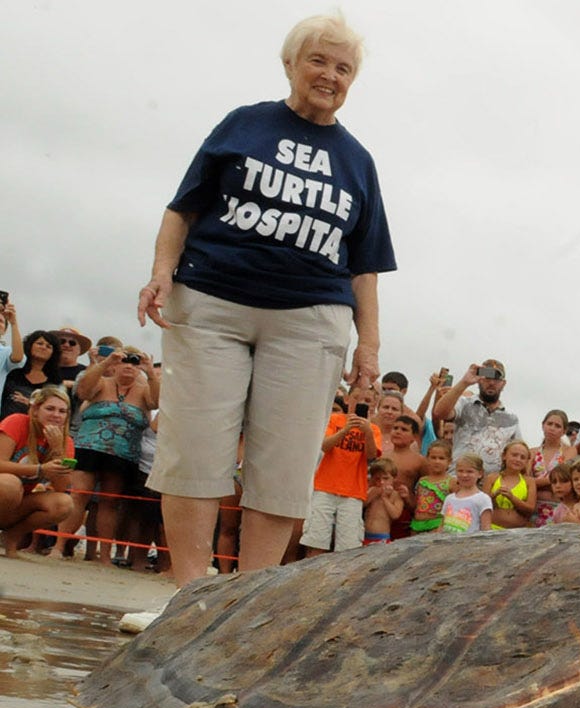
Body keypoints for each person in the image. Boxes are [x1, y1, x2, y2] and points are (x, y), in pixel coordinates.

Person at [137, 12, 395, 586]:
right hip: (210, 303)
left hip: (310, 321)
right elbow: (183, 209)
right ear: (290, 64)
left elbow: (367, 265)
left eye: (344, 67)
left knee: (283, 466)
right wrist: (160, 273)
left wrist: (369, 349)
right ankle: (190, 596)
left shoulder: (358, 162)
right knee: (193, 452)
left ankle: (246, 601)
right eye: (319, 60)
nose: (330, 75)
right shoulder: (243, 125)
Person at [63, 348, 153, 564]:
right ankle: (59, 545)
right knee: (78, 495)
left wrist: (149, 371)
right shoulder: (101, 382)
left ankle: (104, 555)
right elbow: (82, 392)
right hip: (88, 447)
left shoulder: (144, 390)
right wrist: (104, 364)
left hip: (123, 453)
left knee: (109, 502)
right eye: (123, 360)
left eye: (134, 361)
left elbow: (156, 403)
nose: (128, 365)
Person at [300, 390, 381, 555]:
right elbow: (324, 446)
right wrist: (344, 430)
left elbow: (371, 456)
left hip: (353, 492)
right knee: (316, 540)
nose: (361, 403)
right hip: (324, 487)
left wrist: (367, 432)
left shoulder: (373, 429)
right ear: (347, 399)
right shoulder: (333, 420)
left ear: (373, 404)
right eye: (357, 398)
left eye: (367, 400)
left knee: (349, 547)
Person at [0, 386, 76, 555]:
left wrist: (57, 450)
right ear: (35, 410)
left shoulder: (66, 441)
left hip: (20, 500)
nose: (56, 415)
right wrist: (39, 469)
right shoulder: (17, 422)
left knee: (64, 504)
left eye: (62, 411)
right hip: (6, 491)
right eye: (50, 409)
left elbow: (63, 488)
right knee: (10, 484)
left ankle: (12, 536)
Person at [432, 361, 519, 476]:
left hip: (491, 487)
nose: (491, 382)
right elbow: (439, 413)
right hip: (459, 481)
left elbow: (519, 453)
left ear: (503, 384)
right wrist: (464, 382)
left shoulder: (511, 419)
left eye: (496, 379)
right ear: (479, 380)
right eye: (487, 378)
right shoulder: (464, 404)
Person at [3, 329, 66, 422]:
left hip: (35, 428)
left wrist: (30, 403)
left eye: (48, 346)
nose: (43, 347)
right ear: (29, 346)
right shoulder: (12, 370)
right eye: (39, 343)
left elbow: (58, 407)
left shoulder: (55, 380)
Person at [440, 454, 493, 533]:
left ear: (480, 474)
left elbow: (486, 529)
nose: (464, 475)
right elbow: (442, 526)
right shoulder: (449, 498)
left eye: (470, 471)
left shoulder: (483, 499)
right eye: (460, 471)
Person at [409, 441, 451, 534]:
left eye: (441, 458)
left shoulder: (452, 482)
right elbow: (417, 503)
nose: (437, 461)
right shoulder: (422, 481)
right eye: (433, 457)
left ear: (449, 462)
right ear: (427, 459)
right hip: (417, 525)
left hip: (437, 525)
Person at [361, 457, 403, 544]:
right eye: (377, 479)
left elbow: (395, 515)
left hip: (382, 536)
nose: (381, 482)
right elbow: (361, 505)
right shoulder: (372, 490)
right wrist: (373, 494)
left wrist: (385, 498)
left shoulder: (395, 495)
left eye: (385, 478)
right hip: (365, 535)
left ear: (394, 478)